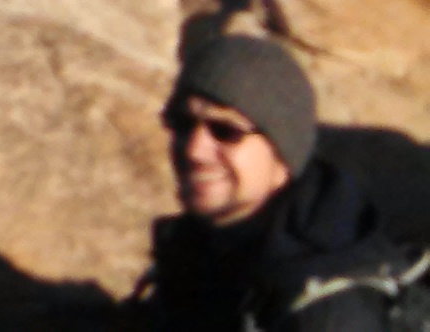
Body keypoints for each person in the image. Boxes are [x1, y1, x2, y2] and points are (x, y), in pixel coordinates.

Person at [143, 34, 418, 330]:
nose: (194, 149)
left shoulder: (327, 310)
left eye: (226, 131)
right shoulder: (206, 248)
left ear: (283, 154)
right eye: (183, 123)